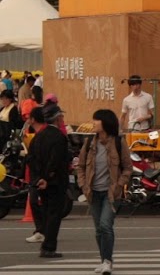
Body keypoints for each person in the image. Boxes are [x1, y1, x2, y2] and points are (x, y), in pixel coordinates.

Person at [81, 109, 130, 275]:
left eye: (96, 120)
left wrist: (119, 185)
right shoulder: (89, 143)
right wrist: (83, 185)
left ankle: (108, 262)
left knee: (105, 225)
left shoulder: (118, 142)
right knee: (98, 230)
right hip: (93, 193)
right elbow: (80, 166)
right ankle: (103, 260)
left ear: (106, 123)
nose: (93, 123)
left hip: (111, 193)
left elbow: (127, 168)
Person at [26, 106, 70, 259]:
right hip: (55, 182)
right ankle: (48, 247)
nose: (62, 120)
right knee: (54, 215)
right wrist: (47, 177)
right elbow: (56, 161)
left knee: (46, 211)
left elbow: (30, 159)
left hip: (41, 182)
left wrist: (38, 178)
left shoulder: (38, 136)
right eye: (61, 117)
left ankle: (45, 242)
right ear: (57, 119)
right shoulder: (59, 137)